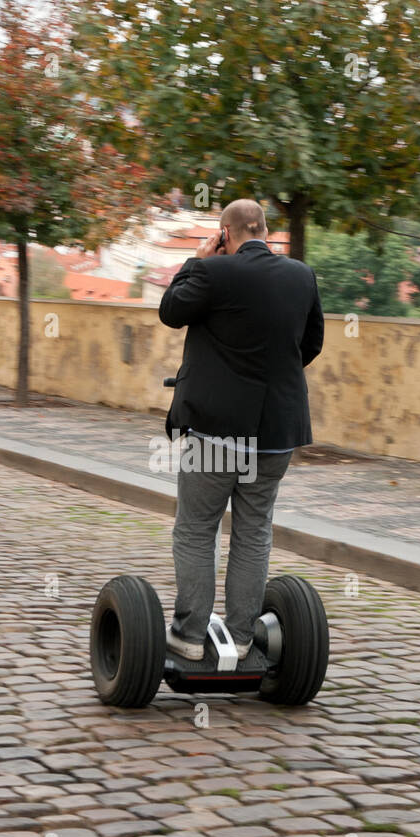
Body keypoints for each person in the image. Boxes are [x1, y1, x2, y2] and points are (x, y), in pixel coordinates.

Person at [158, 198, 324, 660]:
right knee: (254, 531)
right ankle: (242, 636)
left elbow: (170, 310)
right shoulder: (301, 276)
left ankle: (189, 637)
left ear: (225, 235)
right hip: (276, 436)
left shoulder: (214, 274)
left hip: (214, 433)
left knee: (196, 529)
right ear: (265, 231)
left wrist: (197, 260)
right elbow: (310, 344)